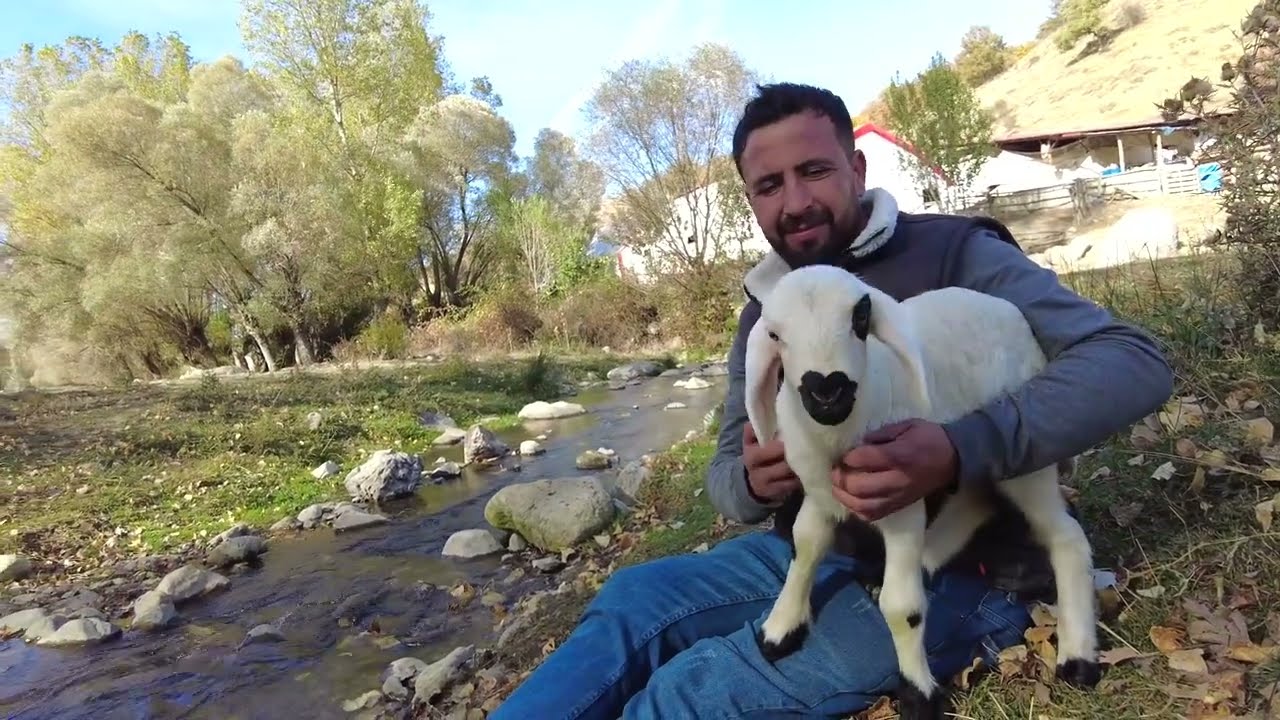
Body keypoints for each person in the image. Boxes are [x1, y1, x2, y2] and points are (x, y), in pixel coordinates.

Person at [489, 82, 1174, 720]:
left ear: (855, 167)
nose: (794, 202)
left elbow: (1130, 362)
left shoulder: (960, 255)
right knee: (631, 602)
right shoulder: (767, 309)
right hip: (814, 553)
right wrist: (753, 480)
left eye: (813, 171)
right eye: (768, 185)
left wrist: (959, 448)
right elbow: (728, 476)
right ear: (751, 200)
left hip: (968, 571)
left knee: (691, 693)